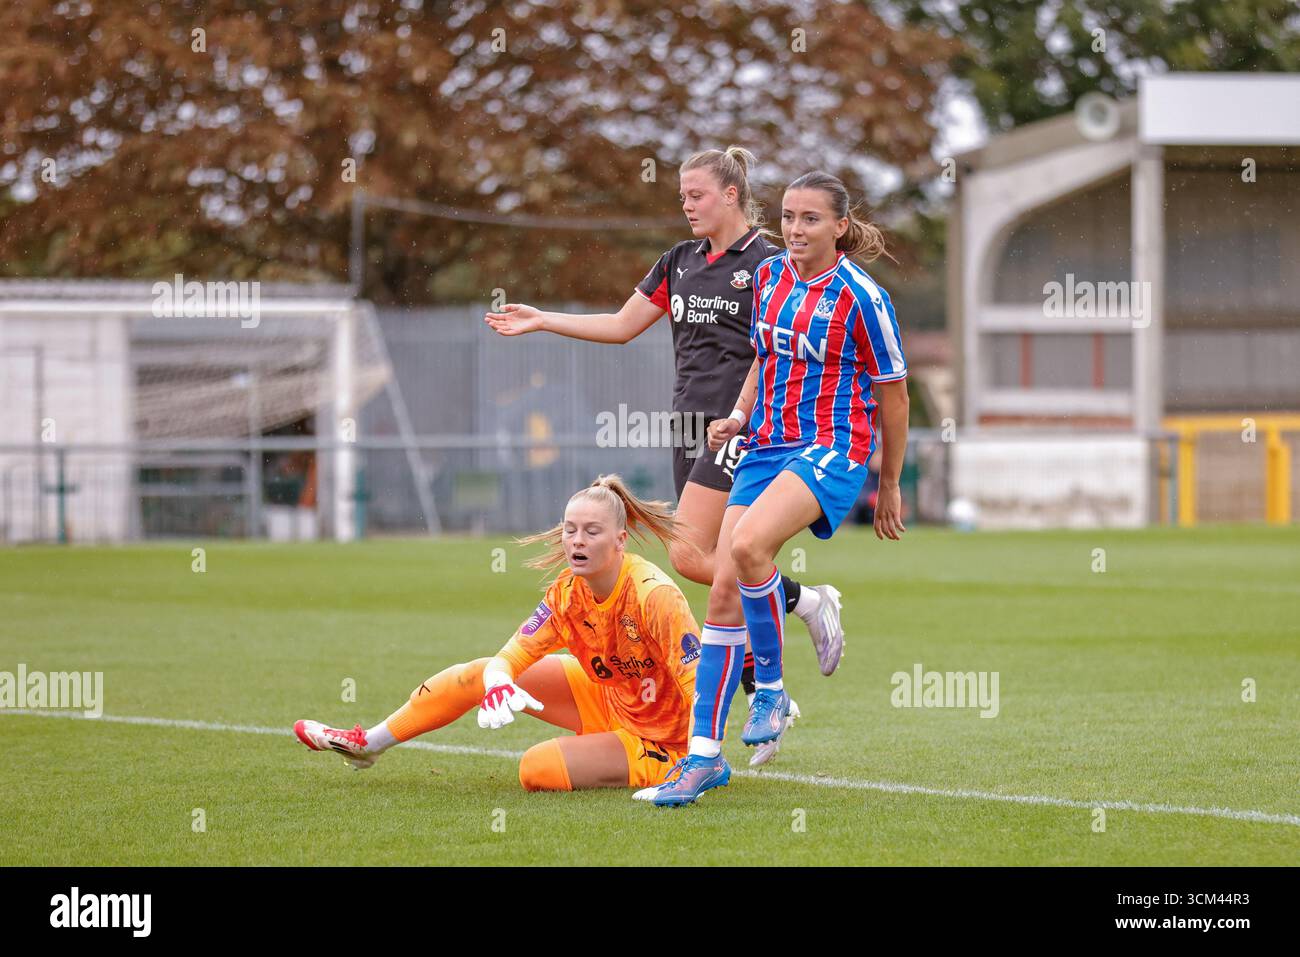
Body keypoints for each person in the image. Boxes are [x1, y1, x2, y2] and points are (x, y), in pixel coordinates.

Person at [484, 147, 845, 765]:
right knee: (706, 561)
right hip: (687, 426)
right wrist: (544, 319)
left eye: (696, 194)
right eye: (681, 195)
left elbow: (778, 349)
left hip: (744, 426)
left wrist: (752, 413)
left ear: (732, 194)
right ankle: (799, 611)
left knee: (699, 555)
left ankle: (766, 684)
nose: (686, 204)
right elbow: (625, 326)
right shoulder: (678, 261)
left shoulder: (767, 264)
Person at [651, 171, 910, 806]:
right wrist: (739, 416)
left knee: (747, 550)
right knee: (720, 591)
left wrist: (892, 482)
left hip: (832, 447)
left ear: (840, 226)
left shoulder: (861, 298)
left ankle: (769, 687)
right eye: (789, 217)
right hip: (767, 444)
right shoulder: (770, 278)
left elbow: (895, 396)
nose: (795, 229)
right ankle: (704, 757)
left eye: (811, 219)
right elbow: (764, 359)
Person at [294, 475, 703, 792]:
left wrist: (701, 760)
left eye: (591, 532)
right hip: (612, 698)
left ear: (620, 540)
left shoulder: (654, 596)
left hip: (667, 741)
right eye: (570, 530)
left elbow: (702, 688)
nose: (576, 541)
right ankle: (368, 744)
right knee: (477, 672)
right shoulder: (566, 593)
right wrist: (497, 683)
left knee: (535, 769)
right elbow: (508, 658)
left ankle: (669, 764)